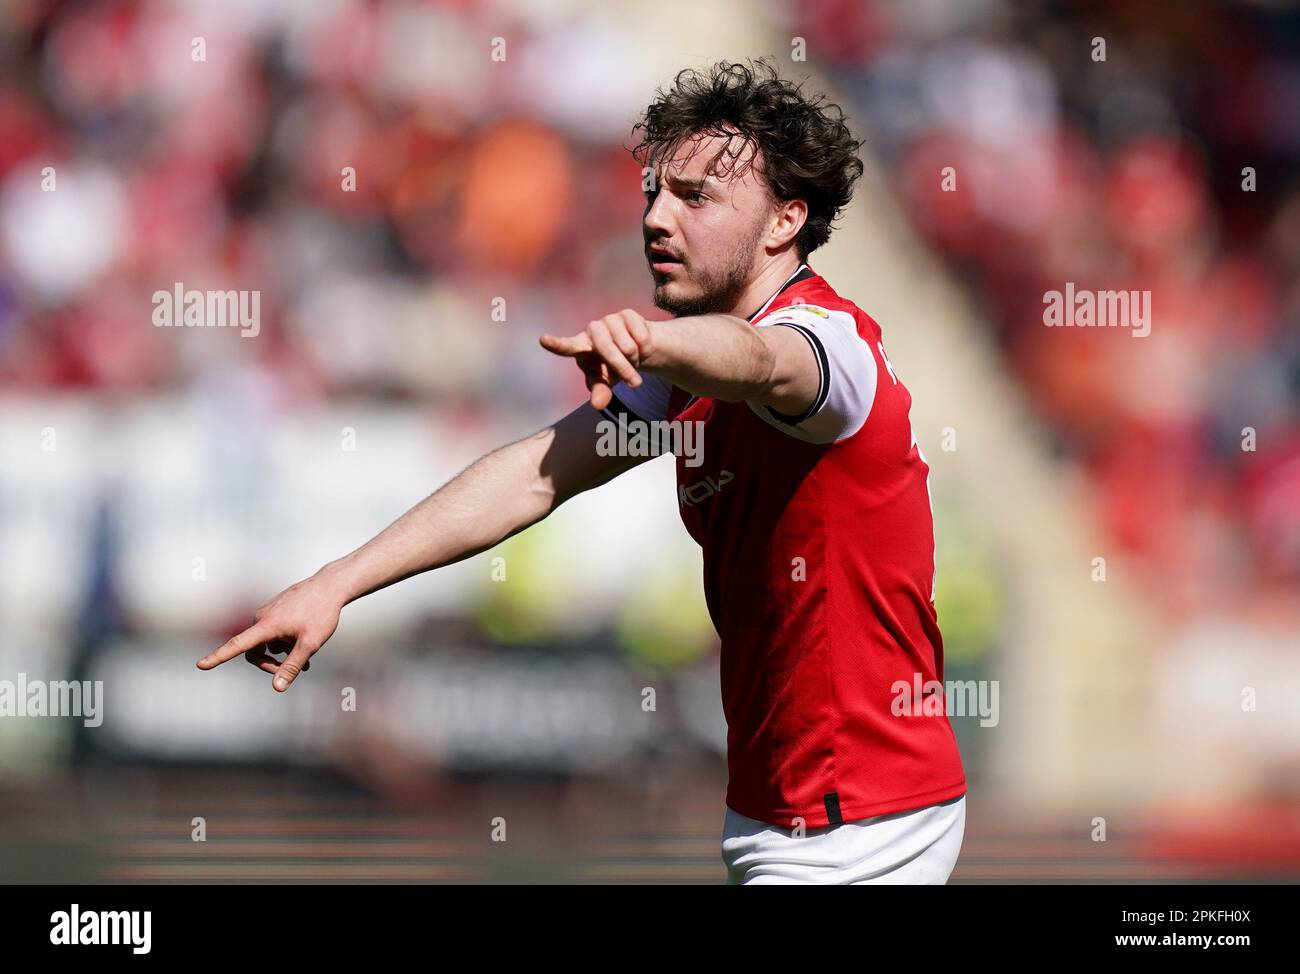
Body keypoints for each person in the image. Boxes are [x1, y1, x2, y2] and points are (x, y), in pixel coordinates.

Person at [197, 58, 967, 885]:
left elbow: (759, 360)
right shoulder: (682, 386)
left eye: (696, 197)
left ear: (785, 221)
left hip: (858, 821)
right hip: (778, 809)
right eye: (654, 193)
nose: (656, 219)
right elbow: (535, 475)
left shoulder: (832, 352)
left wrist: (656, 342)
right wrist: (338, 583)